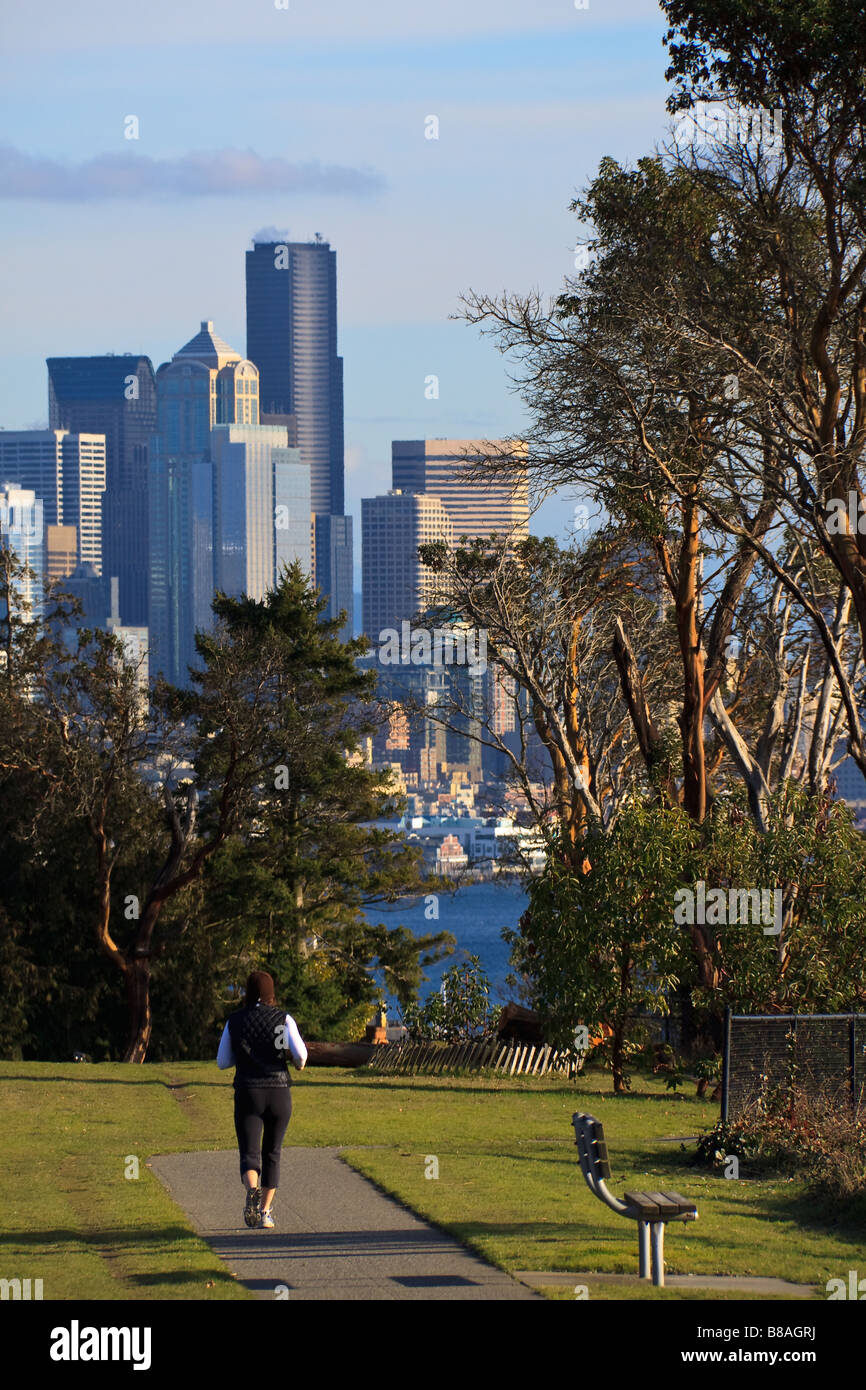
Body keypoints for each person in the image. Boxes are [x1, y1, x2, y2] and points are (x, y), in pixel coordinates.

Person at [216, 970, 307, 1229]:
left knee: (249, 1151)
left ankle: (251, 1191)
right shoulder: (283, 1019)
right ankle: (265, 1211)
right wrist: (289, 1059)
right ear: (271, 992)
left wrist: (245, 1056)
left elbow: (223, 1061)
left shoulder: (235, 1021)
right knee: (273, 1152)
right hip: (278, 1091)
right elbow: (301, 1056)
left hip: (248, 1091)